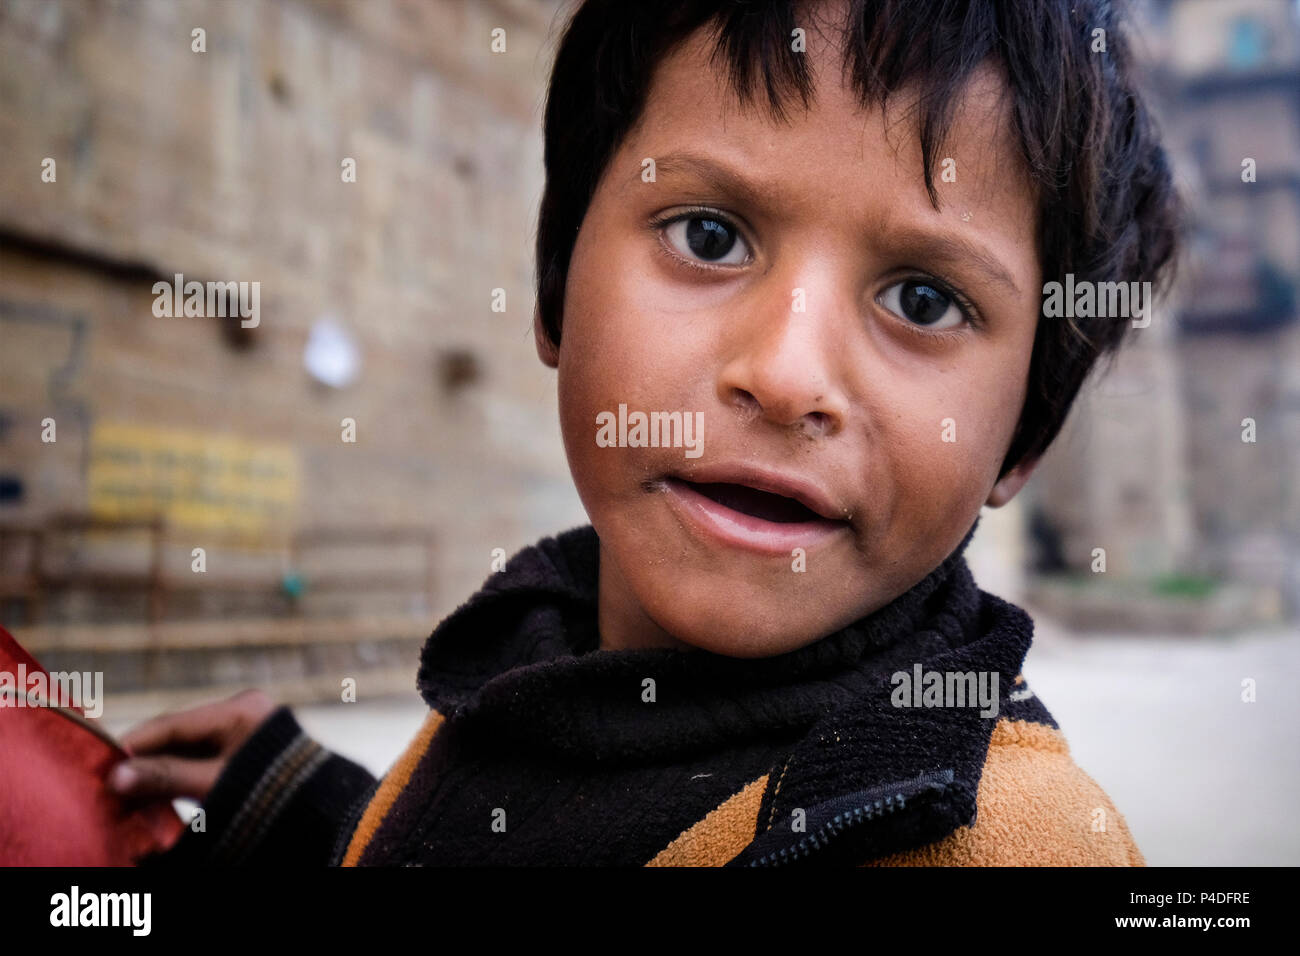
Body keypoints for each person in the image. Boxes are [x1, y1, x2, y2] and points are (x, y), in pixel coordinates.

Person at [112, 0, 1180, 866]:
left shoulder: (1003, 843)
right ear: (554, 288)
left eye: (923, 300)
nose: (784, 377)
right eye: (708, 236)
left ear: (1024, 435)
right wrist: (312, 814)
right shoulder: (537, 663)